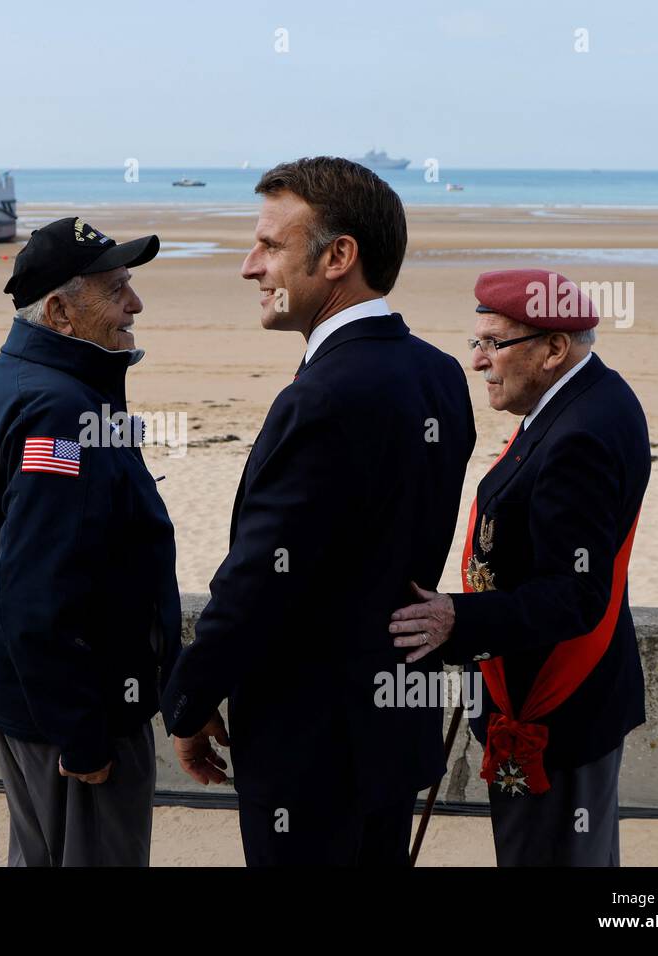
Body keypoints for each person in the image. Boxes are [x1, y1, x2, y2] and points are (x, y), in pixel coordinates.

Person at [160, 157, 476, 865]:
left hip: (311, 752)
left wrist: (188, 701)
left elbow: (258, 581)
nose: (250, 266)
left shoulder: (322, 397)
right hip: (393, 732)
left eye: (270, 245)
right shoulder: (440, 374)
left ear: (339, 257)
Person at [0, 217, 181, 866]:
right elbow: (32, 594)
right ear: (59, 313)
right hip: (80, 713)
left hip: (31, 706)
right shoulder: (61, 414)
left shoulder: (2, 388)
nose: (135, 303)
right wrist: (81, 732)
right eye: (116, 289)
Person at [388, 269, 650, 866]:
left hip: (556, 704)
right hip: (563, 691)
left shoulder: (580, 436)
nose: (477, 361)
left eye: (494, 343)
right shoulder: (586, 397)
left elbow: (575, 595)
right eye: (476, 341)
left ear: (554, 348)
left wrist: (458, 620)